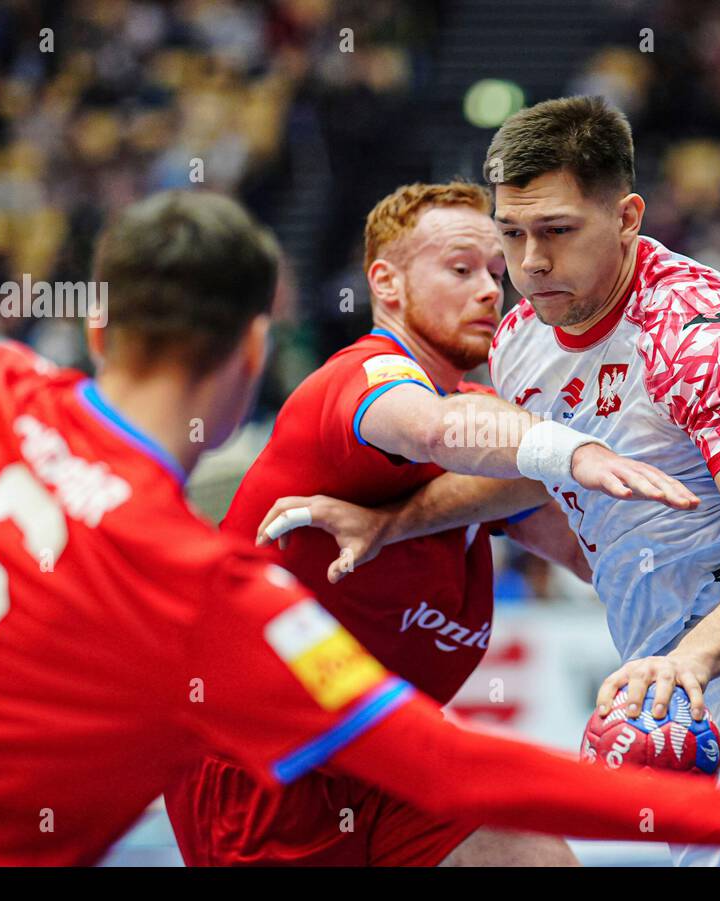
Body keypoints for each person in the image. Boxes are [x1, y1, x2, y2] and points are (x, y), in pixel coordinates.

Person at [0, 5, 720, 867]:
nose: (506, 281)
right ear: (254, 350)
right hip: (256, 797)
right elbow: (441, 441)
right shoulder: (212, 566)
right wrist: (556, 450)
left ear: (95, 322)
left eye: (519, 251)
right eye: (480, 258)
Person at [278, 96, 720, 867]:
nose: (530, 265)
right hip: (686, 707)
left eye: (557, 232)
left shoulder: (697, 329)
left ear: (626, 217)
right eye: (513, 236)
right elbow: (535, 479)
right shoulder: (521, 342)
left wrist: (691, 658)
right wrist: (393, 523)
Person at [168, 181, 684, 866]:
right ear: (385, 282)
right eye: (461, 269)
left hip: (390, 753)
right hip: (266, 759)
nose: (490, 293)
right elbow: (441, 430)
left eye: (497, 274)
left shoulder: (490, 432)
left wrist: (702, 645)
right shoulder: (360, 379)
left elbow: (610, 565)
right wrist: (575, 448)